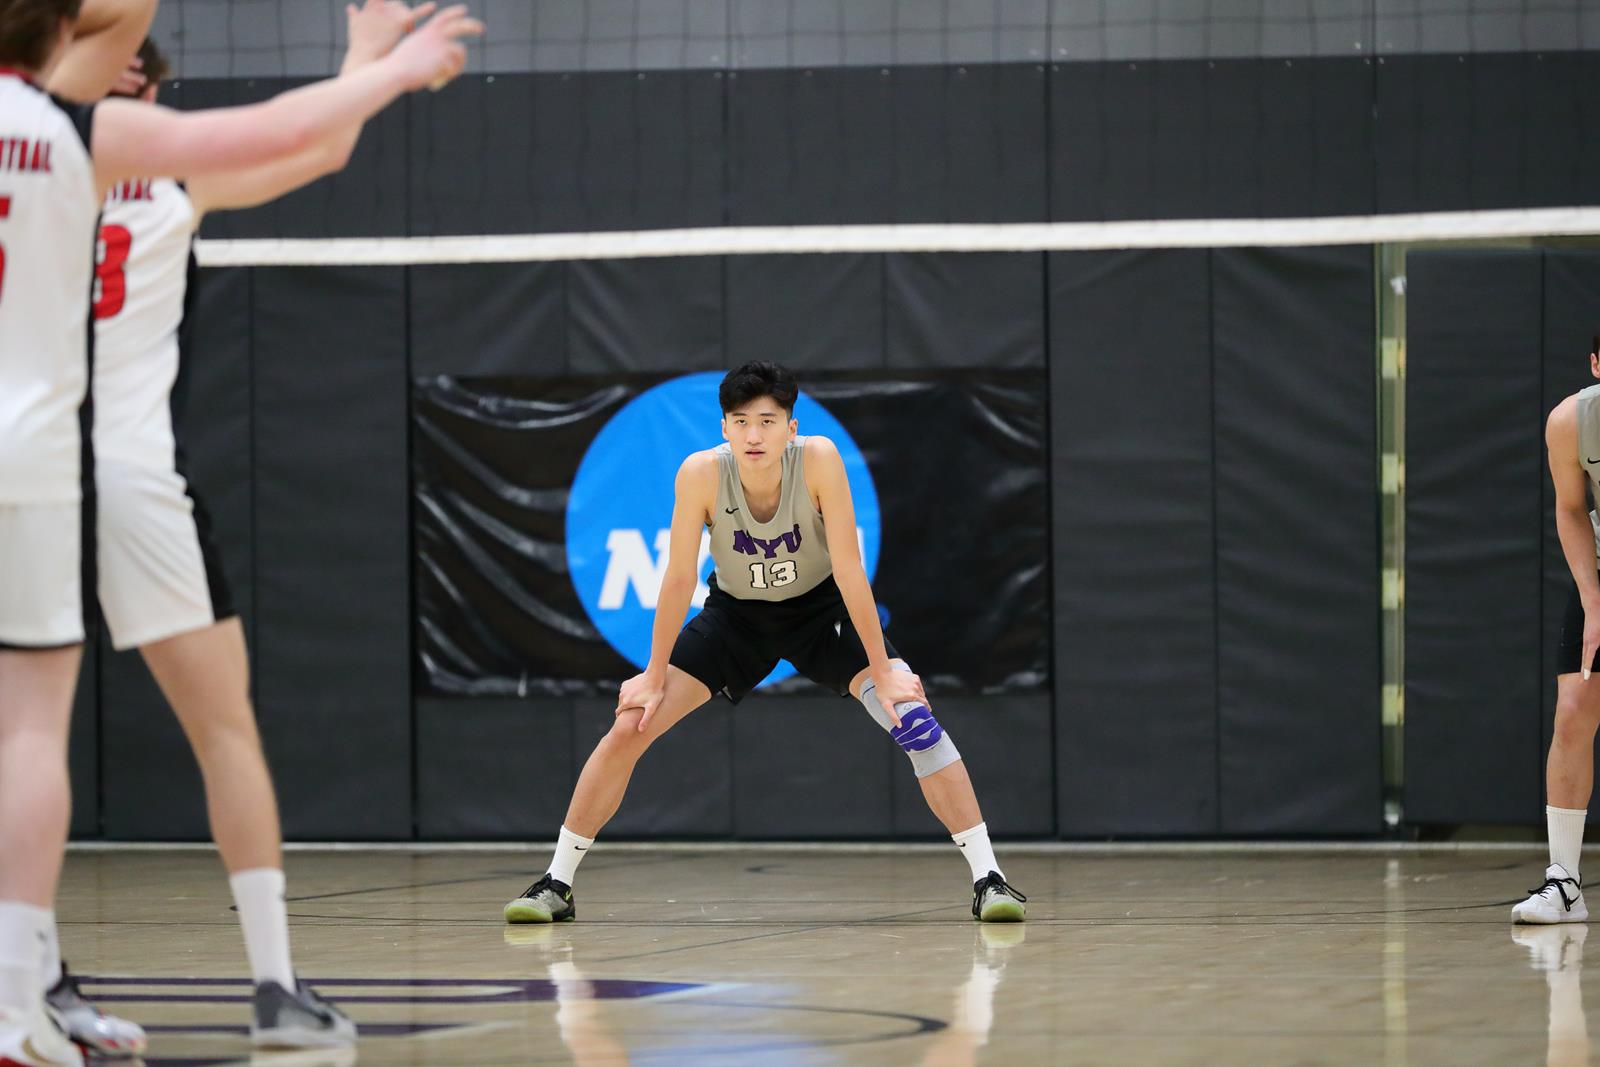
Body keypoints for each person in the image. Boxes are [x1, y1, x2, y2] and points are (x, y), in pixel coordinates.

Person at [0, 3, 480, 1061]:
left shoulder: (50, 133)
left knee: (19, 736)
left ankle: (33, 978)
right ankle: (270, 982)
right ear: (132, 82)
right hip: (122, 472)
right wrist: (375, 62)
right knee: (218, 728)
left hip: (34, 457)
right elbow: (308, 137)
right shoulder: (148, 166)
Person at [504, 362, 1027, 927]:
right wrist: (654, 673)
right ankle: (557, 883)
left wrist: (885, 669)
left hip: (820, 613)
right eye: (741, 421)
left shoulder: (820, 461)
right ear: (724, 429)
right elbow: (679, 577)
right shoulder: (700, 474)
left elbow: (851, 571)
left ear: (790, 427)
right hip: (736, 619)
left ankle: (988, 879)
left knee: (916, 723)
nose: (755, 435)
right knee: (631, 722)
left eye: (767, 421)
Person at [1516, 336, 1600, 924]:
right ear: (1597, 365)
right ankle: (1565, 885)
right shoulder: (1571, 422)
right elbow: (1571, 508)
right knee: (1573, 708)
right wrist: (1594, 601)